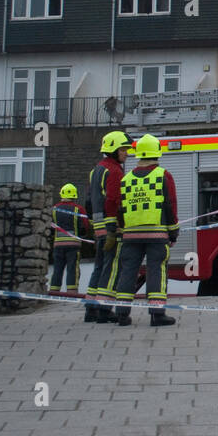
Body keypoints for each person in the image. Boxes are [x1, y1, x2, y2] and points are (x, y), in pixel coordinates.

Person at [111, 134, 179, 327]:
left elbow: (120, 208)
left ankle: (122, 314)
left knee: (128, 272)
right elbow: (170, 205)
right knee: (156, 270)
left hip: (130, 235)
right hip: (157, 234)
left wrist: (122, 230)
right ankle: (157, 315)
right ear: (157, 152)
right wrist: (173, 233)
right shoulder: (162, 175)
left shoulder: (127, 178)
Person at [84, 130, 130, 322]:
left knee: (99, 267)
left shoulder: (96, 170)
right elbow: (114, 200)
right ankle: (104, 310)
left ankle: (91, 309)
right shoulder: (114, 171)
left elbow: (88, 201)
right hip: (112, 228)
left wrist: (94, 224)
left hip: (99, 227)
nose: (126, 153)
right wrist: (117, 225)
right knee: (111, 269)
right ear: (113, 150)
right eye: (123, 149)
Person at [49, 183, 83, 295]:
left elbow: (50, 226)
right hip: (73, 245)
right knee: (73, 269)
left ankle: (54, 292)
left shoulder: (54, 209)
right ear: (74, 196)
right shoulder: (78, 209)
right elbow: (84, 227)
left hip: (58, 245)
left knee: (57, 269)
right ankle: (72, 293)